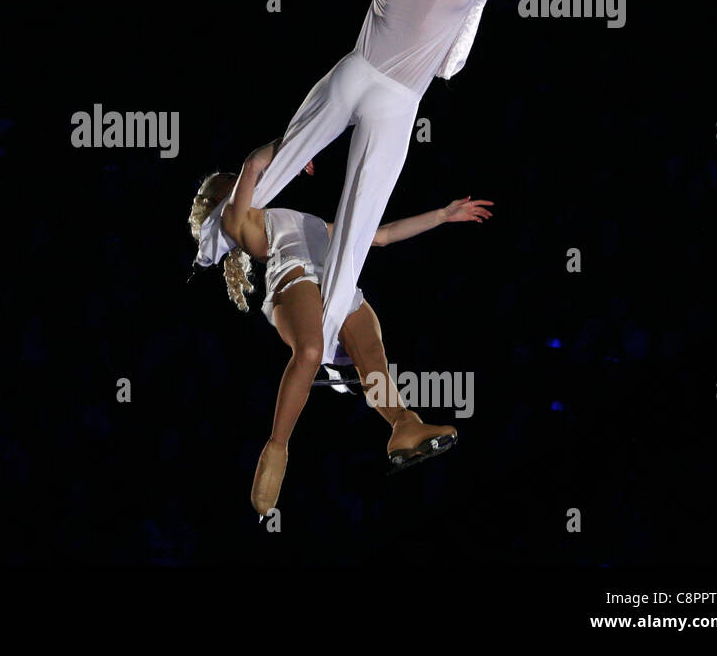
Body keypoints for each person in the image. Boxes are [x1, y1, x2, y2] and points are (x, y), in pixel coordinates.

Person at [195, 0, 523, 375]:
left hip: (355, 74)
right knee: (359, 215)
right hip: (393, 101)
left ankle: (215, 236)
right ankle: (325, 344)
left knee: (296, 160)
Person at [189, 142, 493, 516]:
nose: (244, 185)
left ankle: (404, 426)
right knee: (311, 352)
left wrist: (442, 215)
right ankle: (277, 448)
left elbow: (378, 236)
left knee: (375, 361)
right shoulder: (239, 222)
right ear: (225, 199)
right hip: (295, 278)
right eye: (232, 184)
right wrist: (296, 146)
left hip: (337, 282)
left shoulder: (307, 222)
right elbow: (253, 165)